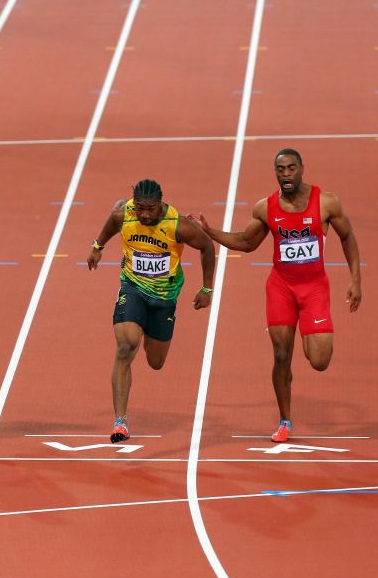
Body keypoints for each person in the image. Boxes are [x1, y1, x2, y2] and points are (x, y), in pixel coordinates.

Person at [189, 148, 361, 442]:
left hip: (314, 288)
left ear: (301, 168)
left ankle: (309, 334)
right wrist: (209, 231)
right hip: (281, 288)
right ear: (275, 173)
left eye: (291, 168)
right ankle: (285, 421)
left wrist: (356, 280)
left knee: (319, 360)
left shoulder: (326, 202)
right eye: (280, 170)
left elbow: (347, 236)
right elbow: (246, 242)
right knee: (281, 355)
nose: (286, 174)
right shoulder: (266, 208)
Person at [87, 179, 216, 443]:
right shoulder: (124, 214)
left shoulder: (178, 224)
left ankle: (145, 326)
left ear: (160, 204)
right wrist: (97, 247)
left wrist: (207, 288)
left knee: (156, 362)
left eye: (150, 209)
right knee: (125, 347)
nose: (145, 214)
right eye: (140, 208)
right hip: (133, 288)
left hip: (164, 297)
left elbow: (207, 247)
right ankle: (120, 422)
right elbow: (110, 225)